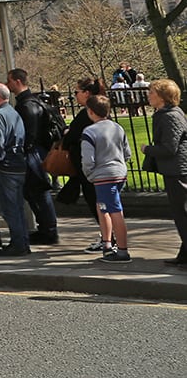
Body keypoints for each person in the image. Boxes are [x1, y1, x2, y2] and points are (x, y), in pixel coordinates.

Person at [6, 69, 59, 245]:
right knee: (34, 192)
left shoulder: (26, 105)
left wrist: (23, 150)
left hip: (32, 154)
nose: (8, 85)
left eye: (10, 81)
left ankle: (48, 230)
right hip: (37, 152)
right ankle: (46, 228)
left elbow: (28, 134)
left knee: (38, 192)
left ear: (17, 81)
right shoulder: (32, 101)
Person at [80, 95, 131, 263]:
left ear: (91, 111)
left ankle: (122, 251)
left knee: (115, 210)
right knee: (103, 207)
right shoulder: (118, 127)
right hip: (119, 172)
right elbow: (127, 153)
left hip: (103, 176)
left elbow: (88, 160)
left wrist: (90, 175)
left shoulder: (89, 132)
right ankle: (107, 244)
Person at [143, 79, 187, 267]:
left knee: (182, 213)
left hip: (178, 170)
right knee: (181, 214)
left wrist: (148, 150)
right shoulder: (164, 114)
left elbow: (169, 148)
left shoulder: (170, 117)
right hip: (175, 169)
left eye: (152, 92)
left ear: (162, 96)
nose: (148, 95)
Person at [0, 83, 30, 257]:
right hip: (18, 165)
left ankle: (18, 244)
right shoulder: (13, 113)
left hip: (5, 168)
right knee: (17, 207)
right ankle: (22, 241)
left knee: (10, 208)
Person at [58, 78, 105, 249]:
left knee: (97, 204)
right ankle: (108, 237)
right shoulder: (99, 114)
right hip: (102, 167)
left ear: (86, 93)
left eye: (76, 92)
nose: (75, 96)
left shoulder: (86, 114)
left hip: (89, 168)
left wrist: (67, 132)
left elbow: (70, 137)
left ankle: (108, 238)